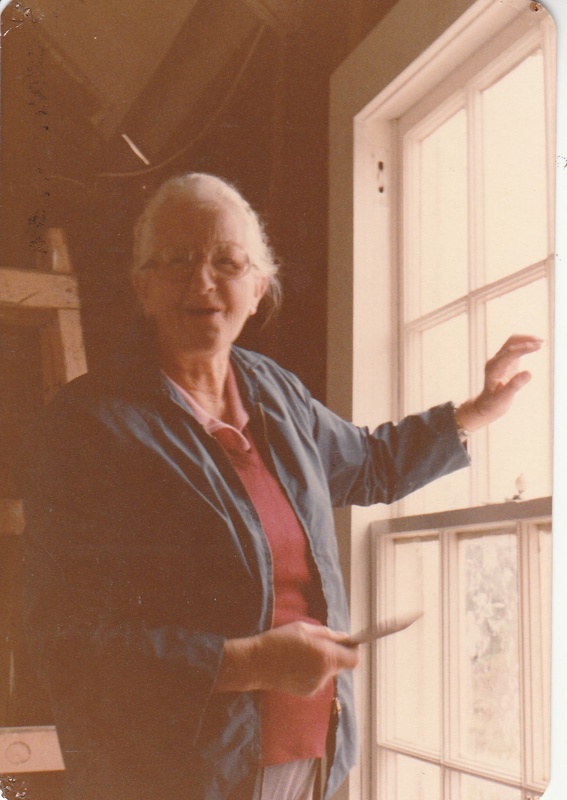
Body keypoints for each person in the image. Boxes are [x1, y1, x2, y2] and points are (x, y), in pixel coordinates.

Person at [18, 173, 542, 800]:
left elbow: (370, 463)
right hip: (173, 777)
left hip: (311, 759)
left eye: (227, 262)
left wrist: (477, 411)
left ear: (259, 287)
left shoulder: (275, 391)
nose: (203, 281)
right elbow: (70, 644)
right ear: (143, 287)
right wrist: (252, 664)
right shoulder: (89, 424)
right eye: (178, 260)